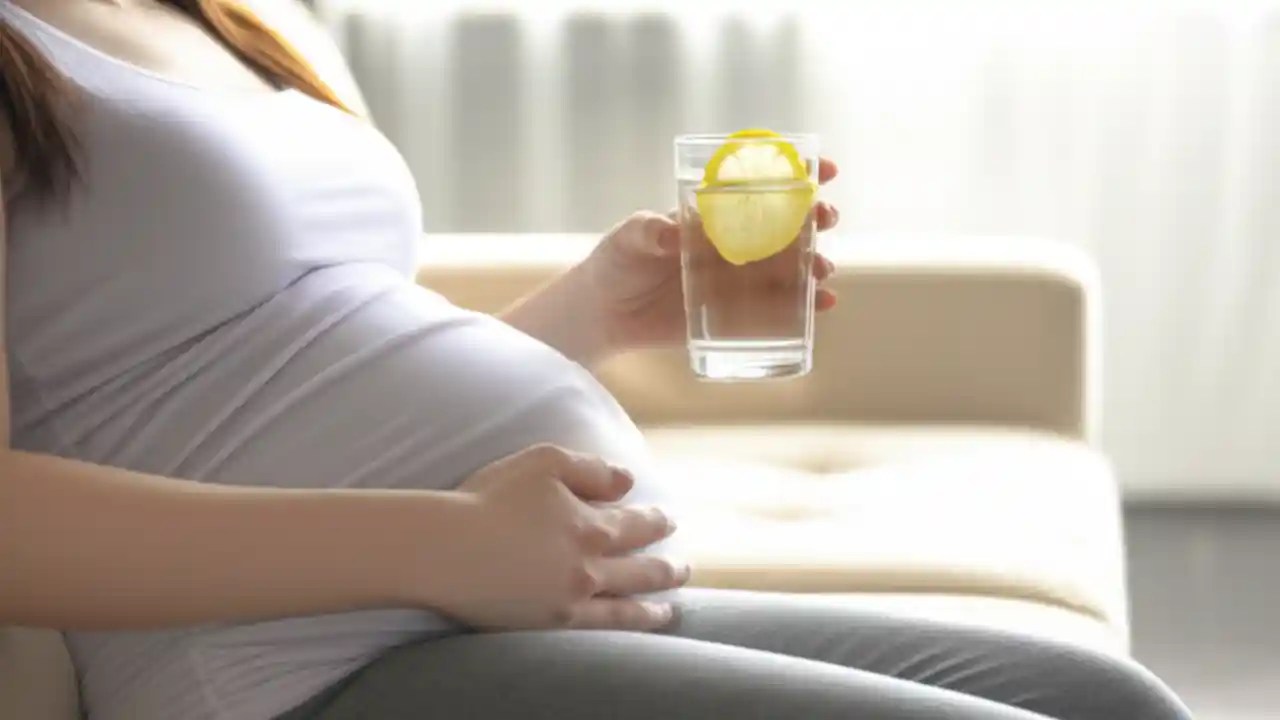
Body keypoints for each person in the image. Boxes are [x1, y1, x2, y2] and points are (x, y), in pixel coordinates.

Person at [0, 1, 1192, 719]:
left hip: (466, 616)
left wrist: (588, 316)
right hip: (284, 671)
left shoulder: (221, 20)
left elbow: (273, 369)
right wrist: (448, 543)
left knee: (1105, 704)